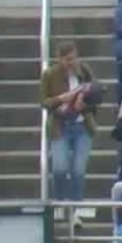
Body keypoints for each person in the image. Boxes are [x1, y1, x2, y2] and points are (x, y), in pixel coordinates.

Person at [42, 41, 99, 212]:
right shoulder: (50, 75)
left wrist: (85, 105)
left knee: (78, 170)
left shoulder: (85, 71)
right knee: (59, 168)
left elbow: (96, 95)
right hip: (60, 126)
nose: (71, 63)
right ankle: (60, 203)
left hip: (82, 126)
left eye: (74, 58)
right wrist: (61, 99)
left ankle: (77, 207)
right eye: (67, 59)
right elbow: (44, 101)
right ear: (59, 59)